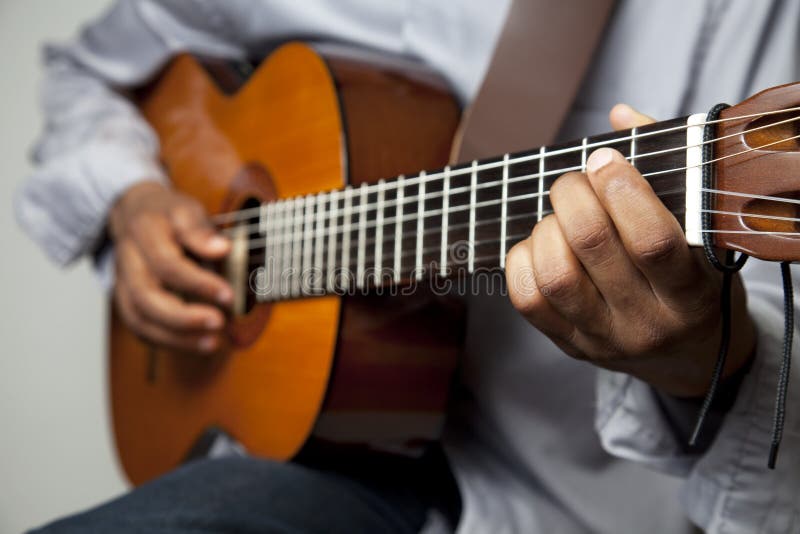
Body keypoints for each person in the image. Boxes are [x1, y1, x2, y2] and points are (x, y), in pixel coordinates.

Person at [16, 0, 800, 532]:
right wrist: (130, 198)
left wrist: (705, 357)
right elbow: (86, 72)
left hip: (553, 495)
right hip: (295, 453)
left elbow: (776, 380)